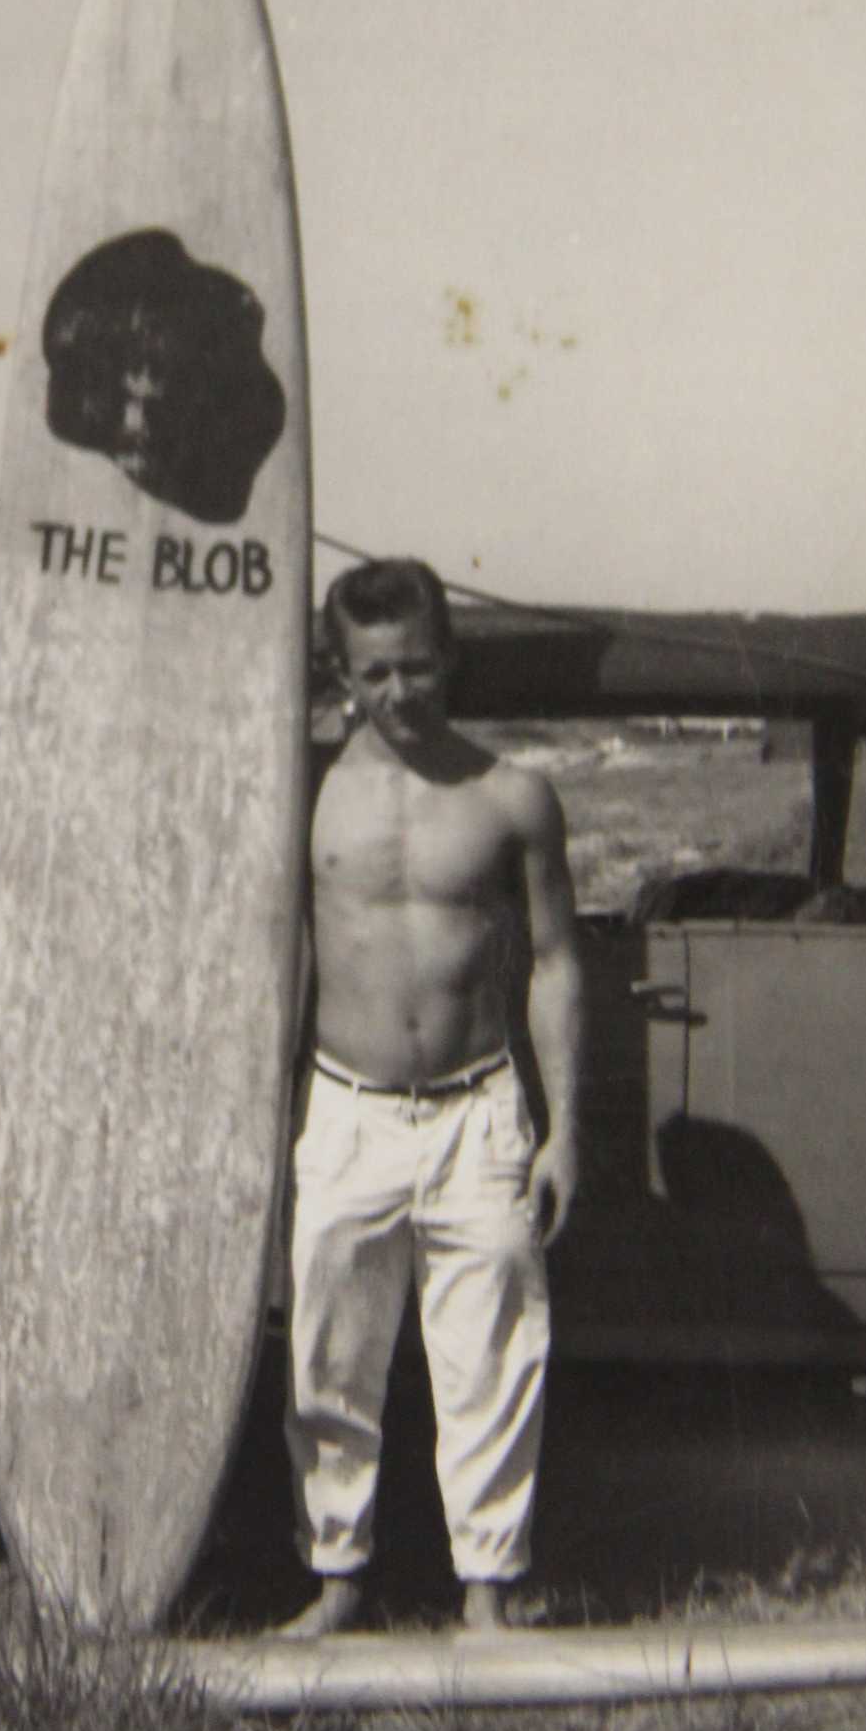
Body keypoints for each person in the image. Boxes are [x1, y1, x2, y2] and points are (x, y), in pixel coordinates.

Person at [282, 555, 583, 1635]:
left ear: (447, 656)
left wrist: (562, 1136)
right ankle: (337, 1581)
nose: (396, 693)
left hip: (479, 1111)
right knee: (329, 1354)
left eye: (414, 667)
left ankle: (488, 1597)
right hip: (348, 1108)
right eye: (372, 674)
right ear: (340, 674)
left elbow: (555, 962)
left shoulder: (513, 797)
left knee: (493, 1357)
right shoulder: (298, 783)